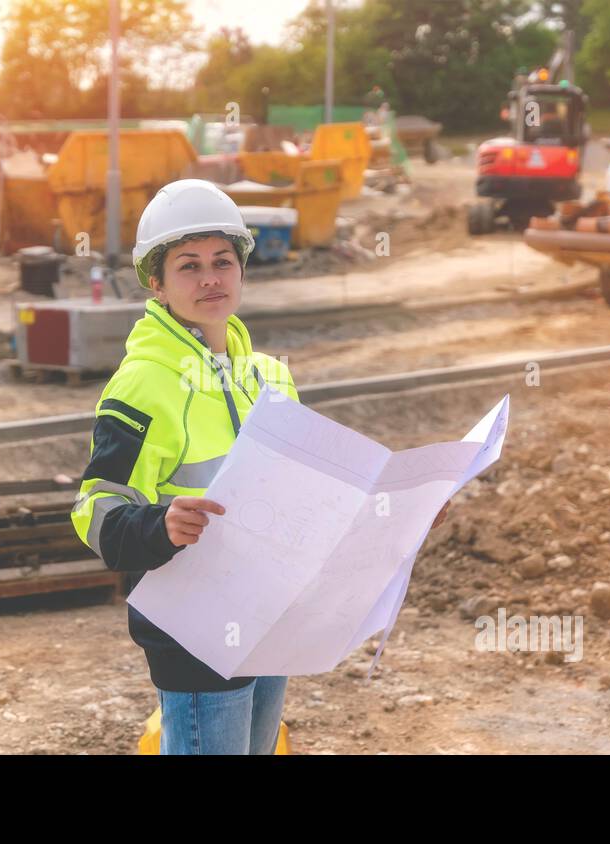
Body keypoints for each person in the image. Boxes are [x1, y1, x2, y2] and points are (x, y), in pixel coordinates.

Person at [70, 179, 450, 754]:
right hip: (195, 632)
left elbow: (313, 498)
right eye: (189, 266)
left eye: (223, 262)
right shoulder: (142, 383)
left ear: (242, 271)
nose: (210, 279)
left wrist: (404, 514)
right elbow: (94, 509)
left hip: (271, 619)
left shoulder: (268, 377)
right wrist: (159, 525)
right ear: (157, 281)